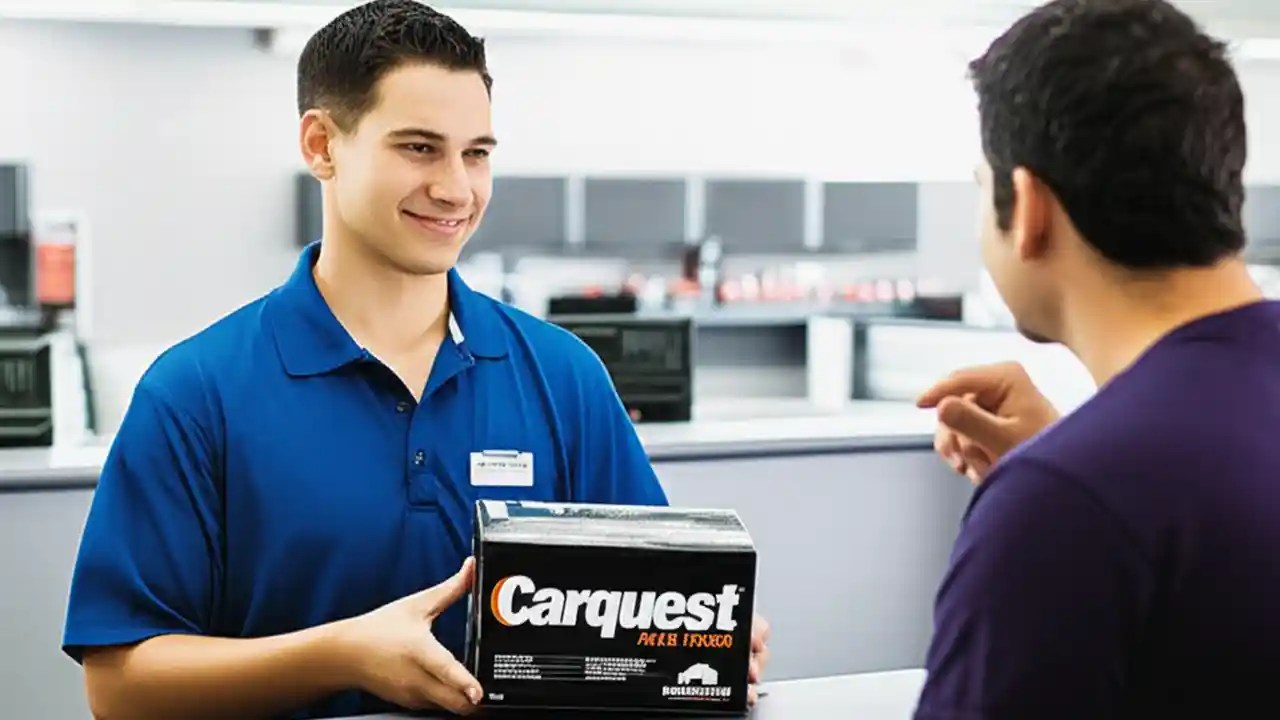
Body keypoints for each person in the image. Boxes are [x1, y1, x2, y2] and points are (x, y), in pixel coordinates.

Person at [61, 2, 769, 718]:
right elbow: (119, 686)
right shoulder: (196, 394)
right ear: (321, 145)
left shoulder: (564, 378)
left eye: (477, 153)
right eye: (420, 148)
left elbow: (651, 607)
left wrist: (701, 644)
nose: (457, 188)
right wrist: (341, 655)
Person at [911, 0, 1280, 717]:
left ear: (1028, 208)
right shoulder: (1090, 495)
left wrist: (1067, 487)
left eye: (982, 188)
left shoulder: (1059, 510)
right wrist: (1073, 461)